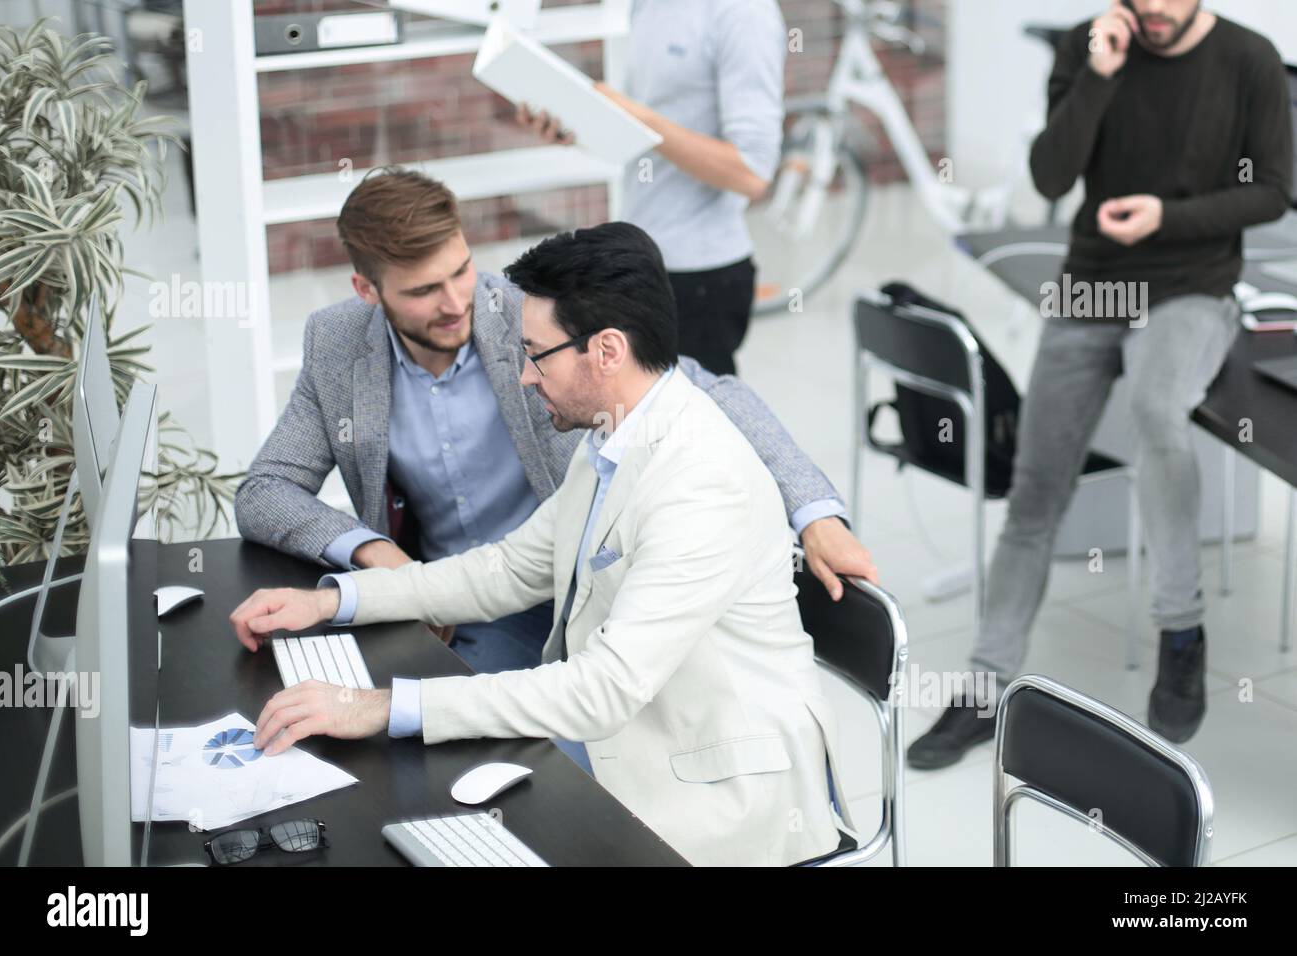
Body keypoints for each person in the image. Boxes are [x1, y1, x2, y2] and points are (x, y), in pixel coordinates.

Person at [230, 223, 852, 867]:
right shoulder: (614, 436)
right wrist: (337, 601)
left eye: (537, 354)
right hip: (634, 738)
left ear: (606, 351)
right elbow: (507, 569)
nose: (524, 376)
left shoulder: (699, 484)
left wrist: (379, 706)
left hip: (718, 790)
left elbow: (601, 689)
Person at [234, 169, 877, 677]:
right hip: (458, 601)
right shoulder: (338, 344)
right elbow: (264, 491)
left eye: (460, 270)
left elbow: (711, 391)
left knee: (481, 750)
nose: (456, 301)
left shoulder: (529, 313)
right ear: (367, 290)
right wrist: (380, 556)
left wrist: (814, 513)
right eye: (424, 290)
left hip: (577, 589)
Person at [908, 0, 1293, 769]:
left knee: (1158, 413)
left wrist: (1163, 218)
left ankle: (1180, 631)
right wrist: (1099, 73)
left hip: (1192, 283)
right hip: (1090, 288)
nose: (1151, 10)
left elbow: (1276, 191)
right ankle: (986, 685)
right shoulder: (1091, 44)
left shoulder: (1249, 59)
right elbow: (1052, 172)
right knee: (1036, 489)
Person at [517, 0, 786, 376]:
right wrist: (576, 123)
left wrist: (639, 115)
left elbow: (752, 172)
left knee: (694, 428)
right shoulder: (647, 6)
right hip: (639, 259)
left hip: (701, 276)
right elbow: (650, 137)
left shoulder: (743, 13)